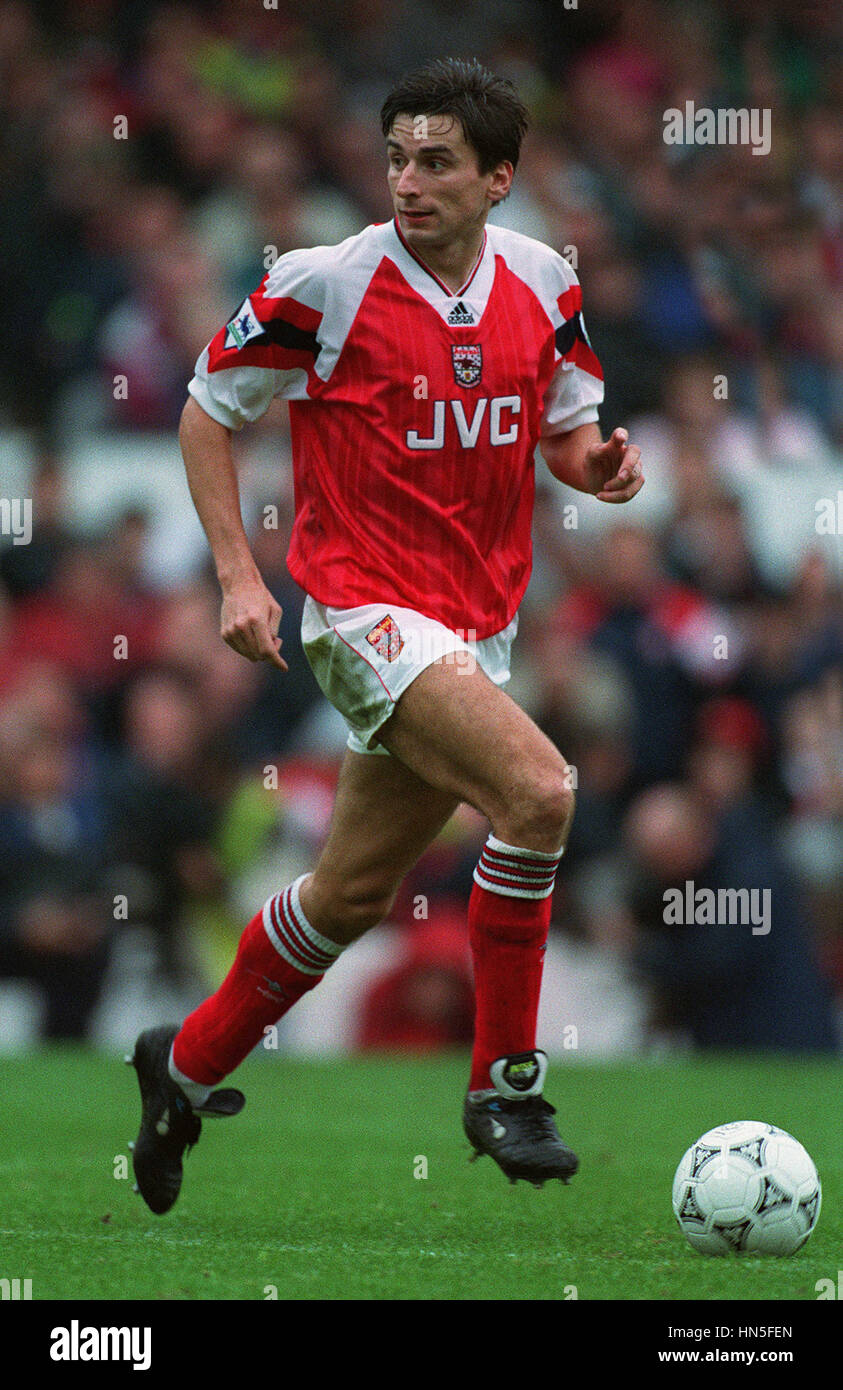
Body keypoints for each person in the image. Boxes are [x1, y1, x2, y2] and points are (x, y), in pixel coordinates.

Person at [127, 57, 644, 1214]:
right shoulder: (323, 282)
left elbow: (567, 427)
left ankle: (185, 1064)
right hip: (362, 608)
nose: (408, 181)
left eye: (437, 162)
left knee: (348, 892)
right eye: (397, 157)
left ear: (498, 178)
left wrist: (596, 468)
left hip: (476, 623)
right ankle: (505, 1081)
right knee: (542, 794)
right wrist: (237, 577)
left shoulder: (546, 279)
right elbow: (208, 411)